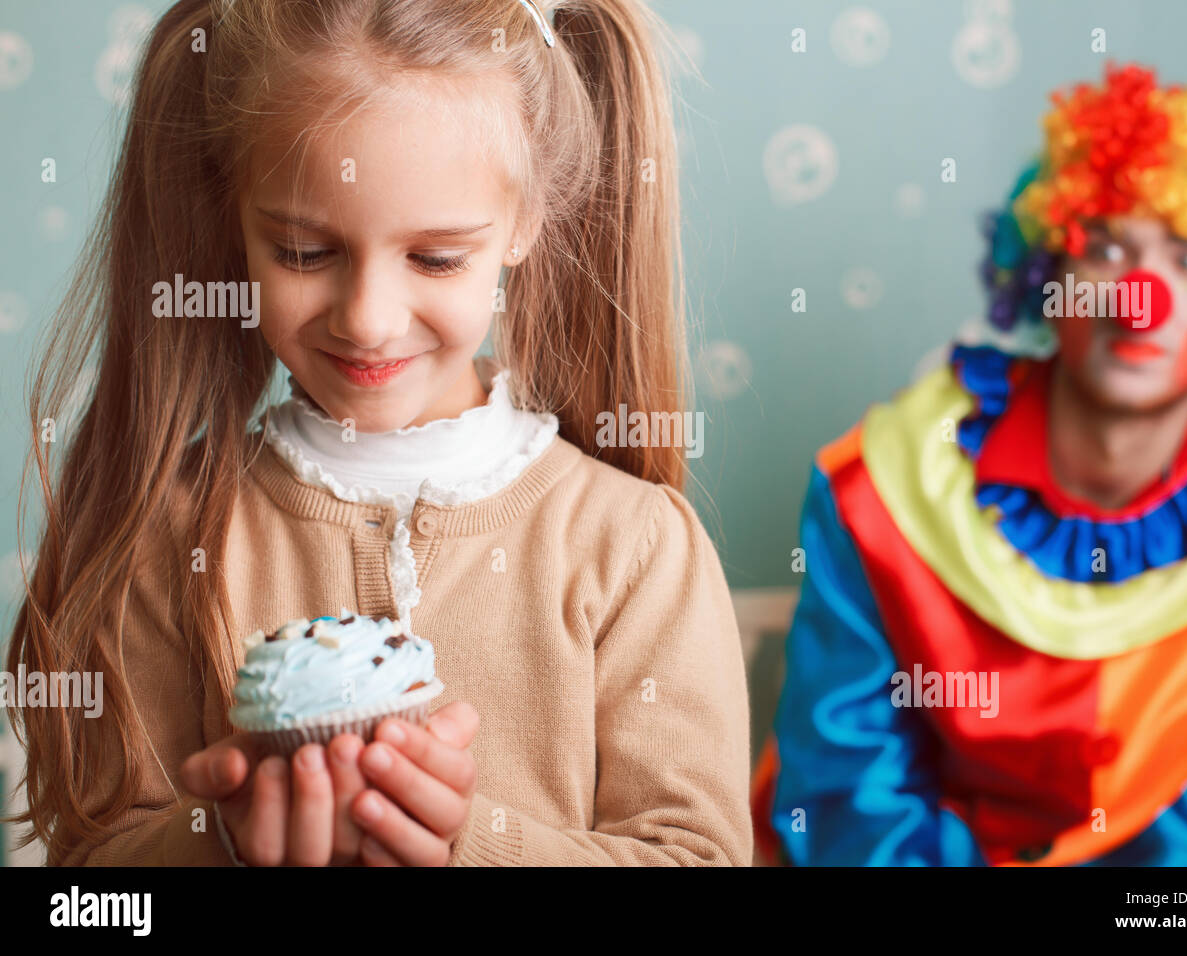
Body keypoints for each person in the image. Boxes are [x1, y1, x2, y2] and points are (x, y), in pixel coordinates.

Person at [5, 0, 751, 867]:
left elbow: (696, 855)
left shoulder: (634, 550)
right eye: (302, 251)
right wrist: (219, 840)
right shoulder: (168, 541)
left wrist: (469, 842)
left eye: (435, 259)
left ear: (526, 220)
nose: (367, 320)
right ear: (234, 219)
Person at [753, 62, 1187, 866]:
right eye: (1105, 247)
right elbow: (846, 802)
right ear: (1052, 280)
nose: (1136, 296)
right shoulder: (884, 484)